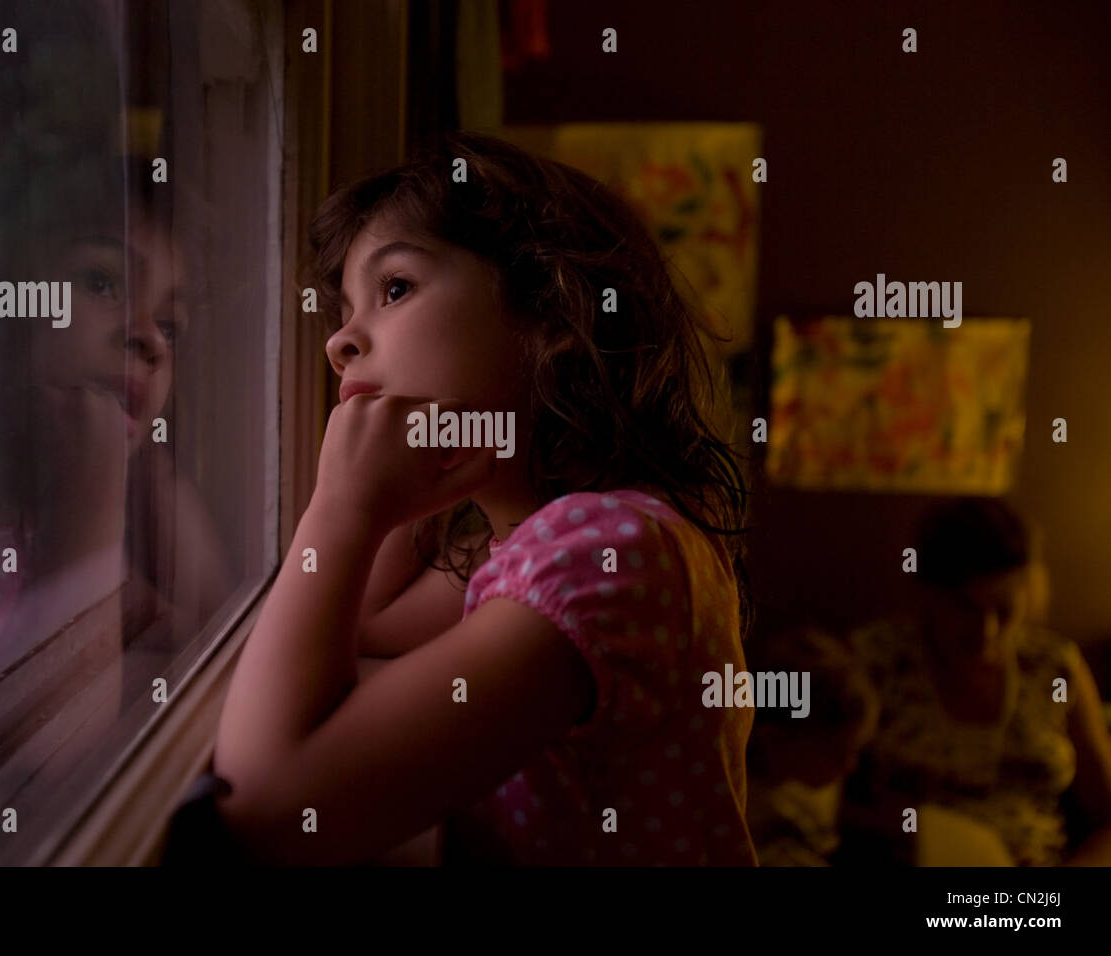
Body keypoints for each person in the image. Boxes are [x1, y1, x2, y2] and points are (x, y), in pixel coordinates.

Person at [211, 129, 756, 866]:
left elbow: (269, 804)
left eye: (394, 288)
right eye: (343, 310)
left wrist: (339, 510)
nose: (341, 340)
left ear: (550, 310)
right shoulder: (544, 537)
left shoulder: (608, 552)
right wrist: (402, 486)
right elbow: (364, 622)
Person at [840, 497, 1111, 866]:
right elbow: (822, 794)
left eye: (1004, 609)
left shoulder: (1054, 666)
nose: (987, 630)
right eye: (965, 608)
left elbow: (1107, 815)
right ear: (928, 594)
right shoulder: (877, 661)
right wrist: (927, 830)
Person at [743, 626, 879, 866]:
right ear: (777, 739)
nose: (850, 767)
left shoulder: (795, 788)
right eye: (836, 754)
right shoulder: (744, 810)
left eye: (856, 752)